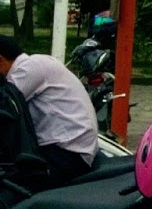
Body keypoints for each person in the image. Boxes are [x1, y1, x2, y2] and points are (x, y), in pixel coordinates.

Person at [0, 35, 97, 185]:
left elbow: (5, 104)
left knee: (11, 186)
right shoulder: (37, 63)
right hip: (70, 148)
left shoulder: (28, 68)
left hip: (66, 152)